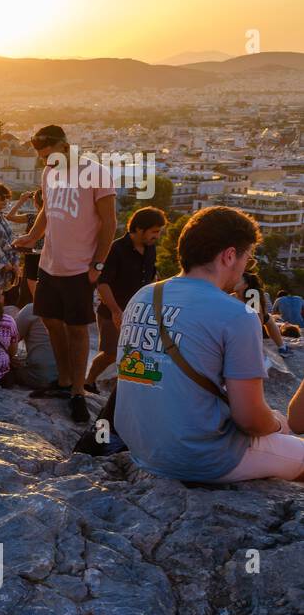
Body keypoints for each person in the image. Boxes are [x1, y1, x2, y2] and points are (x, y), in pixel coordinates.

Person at [115, 205, 304, 483]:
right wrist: (277, 426)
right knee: (277, 427)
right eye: (247, 261)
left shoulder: (142, 296)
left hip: (141, 448)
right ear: (229, 256)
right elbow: (250, 419)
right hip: (198, 457)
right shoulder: (237, 315)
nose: (244, 270)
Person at [13, 125, 117, 424]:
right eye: (43, 159)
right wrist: (32, 237)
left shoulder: (95, 173)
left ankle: (78, 391)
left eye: (50, 155)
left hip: (79, 266)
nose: (47, 163)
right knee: (50, 322)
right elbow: (47, 208)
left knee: (77, 328)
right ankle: (63, 380)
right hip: (50, 262)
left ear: (65, 145)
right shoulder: (50, 172)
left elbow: (110, 222)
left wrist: (98, 264)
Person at [86, 206, 167, 391]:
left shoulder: (150, 248)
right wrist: (116, 311)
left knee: (135, 354)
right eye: (154, 231)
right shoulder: (115, 249)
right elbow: (103, 283)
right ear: (139, 229)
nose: (157, 236)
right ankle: (88, 381)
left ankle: (127, 388)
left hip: (139, 312)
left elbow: (152, 275)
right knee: (110, 353)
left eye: (159, 232)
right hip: (113, 310)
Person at [15, 302, 58, 389]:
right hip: (68, 378)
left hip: (41, 376)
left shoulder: (31, 308)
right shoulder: (70, 308)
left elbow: (12, 340)